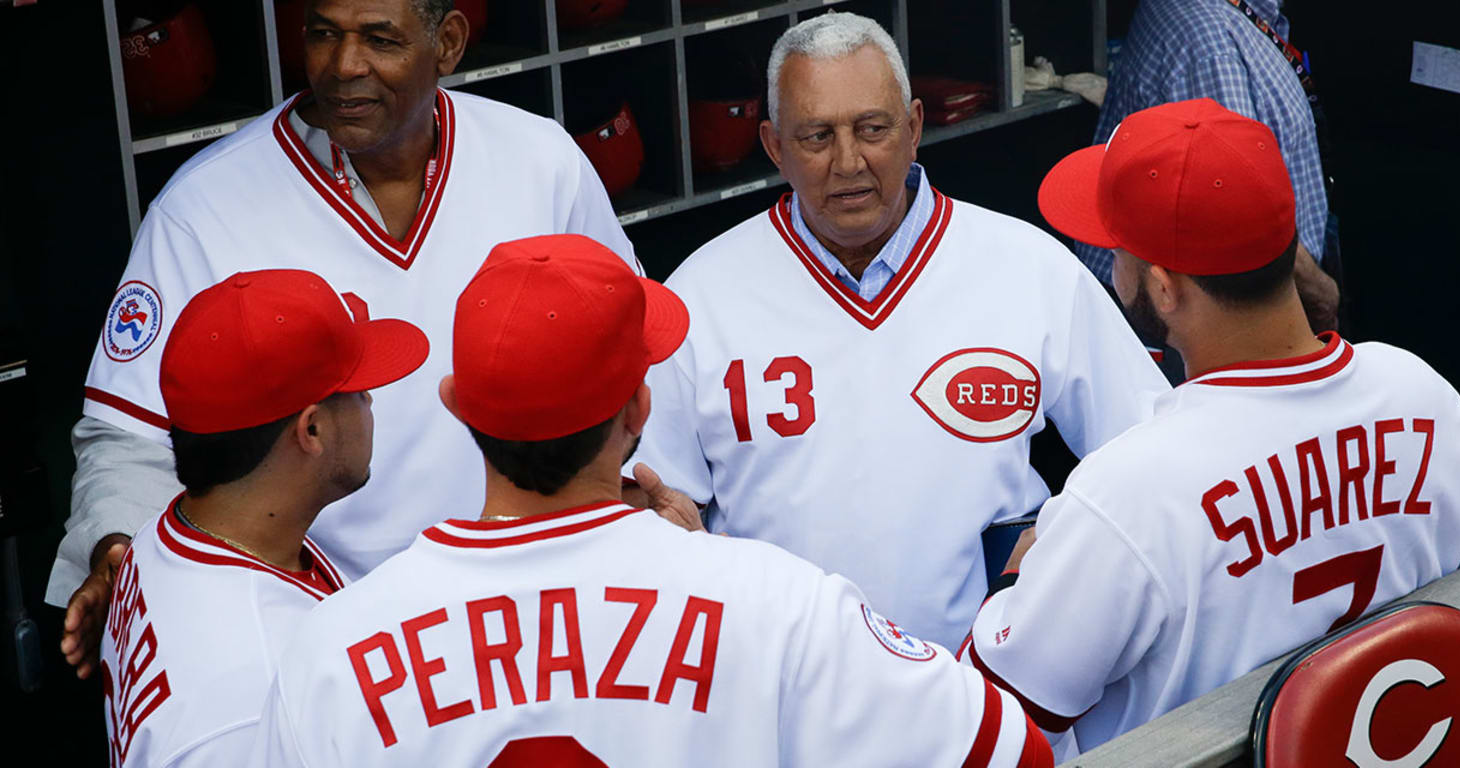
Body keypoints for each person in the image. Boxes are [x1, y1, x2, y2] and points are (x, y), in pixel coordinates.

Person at [243, 235, 1053, 768]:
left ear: (458, 406)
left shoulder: (331, 653)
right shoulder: (776, 601)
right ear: (639, 408)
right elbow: (1013, 753)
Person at [57, 0, 639, 679]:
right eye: (324, 34)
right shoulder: (203, 207)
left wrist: (630, 507)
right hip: (318, 634)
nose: (343, 66)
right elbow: (127, 434)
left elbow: (626, 348)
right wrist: (119, 551)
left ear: (447, 43)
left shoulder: (538, 159)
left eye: (379, 39)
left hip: (535, 599)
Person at [962, 98, 1460, 756]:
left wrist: (1019, 574)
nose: (1109, 262)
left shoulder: (1125, 493)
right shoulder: (1417, 391)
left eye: (1116, 248)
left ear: (1165, 287)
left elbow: (991, 718)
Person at [625, 12, 1169, 651]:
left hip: (994, 686)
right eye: (817, 136)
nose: (848, 161)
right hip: (789, 699)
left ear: (914, 128)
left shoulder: (1029, 264)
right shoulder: (700, 294)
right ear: (774, 146)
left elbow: (1150, 459)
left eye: (872, 129)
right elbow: (656, 506)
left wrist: (1069, 552)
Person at [100, 269, 428, 766]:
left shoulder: (180, 532)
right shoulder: (246, 705)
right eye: (358, 388)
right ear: (312, 429)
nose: (371, 398)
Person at [1079, 0, 1340, 334]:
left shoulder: (1232, 19)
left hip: (1196, 307)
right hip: (1207, 322)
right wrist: (1321, 295)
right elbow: (1243, 217)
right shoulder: (1209, 46)